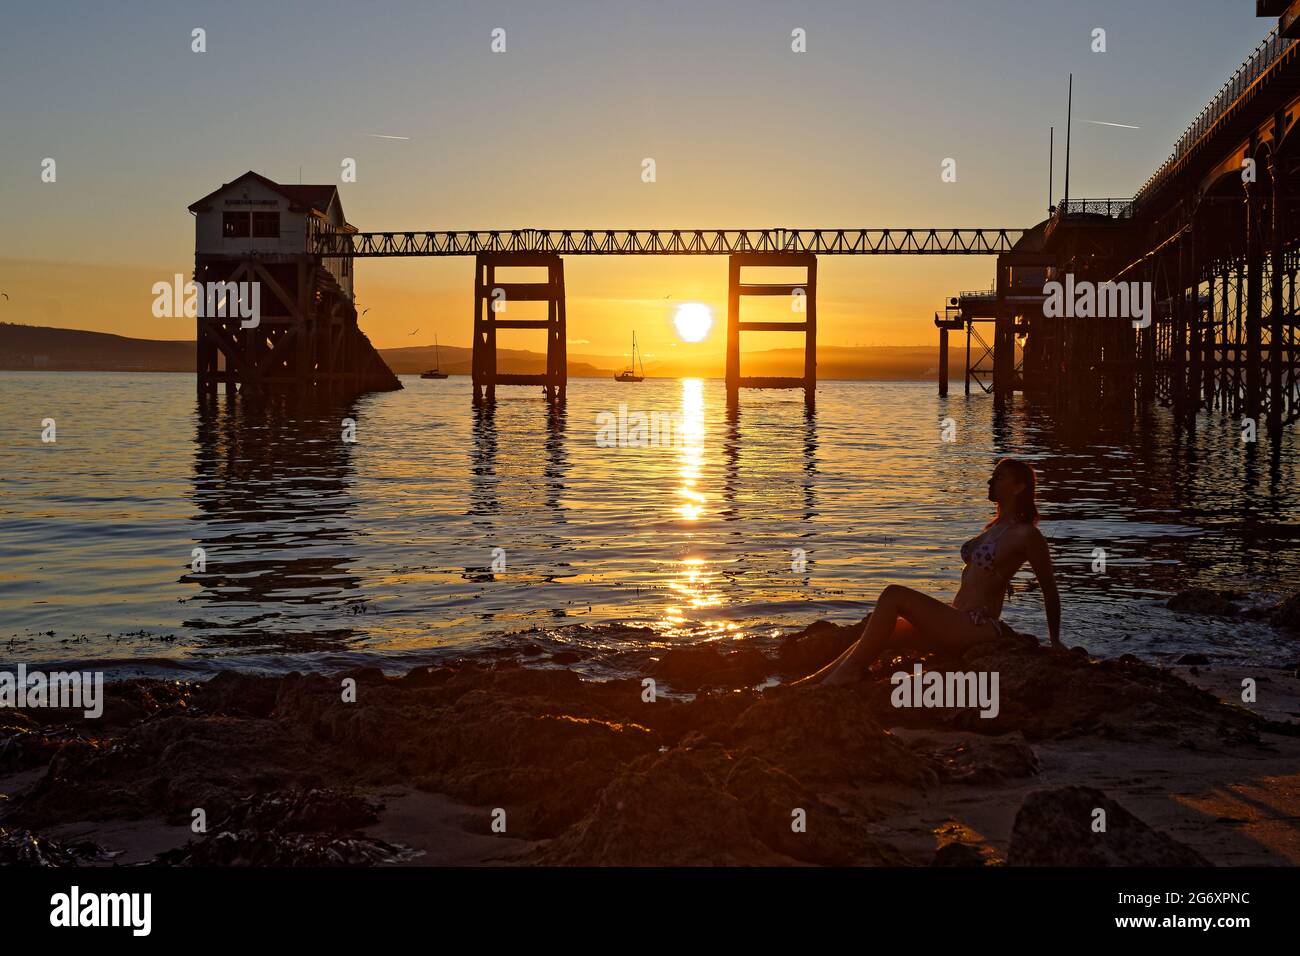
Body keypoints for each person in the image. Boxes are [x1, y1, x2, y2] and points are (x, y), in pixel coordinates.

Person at [790, 457, 1061, 687]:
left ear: (1019, 487)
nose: (990, 482)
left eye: (998, 478)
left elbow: (1049, 587)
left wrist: (1054, 642)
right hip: (956, 619)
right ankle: (817, 679)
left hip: (976, 626)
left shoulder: (1027, 535)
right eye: (991, 477)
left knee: (893, 594)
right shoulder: (992, 529)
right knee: (887, 630)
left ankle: (845, 675)